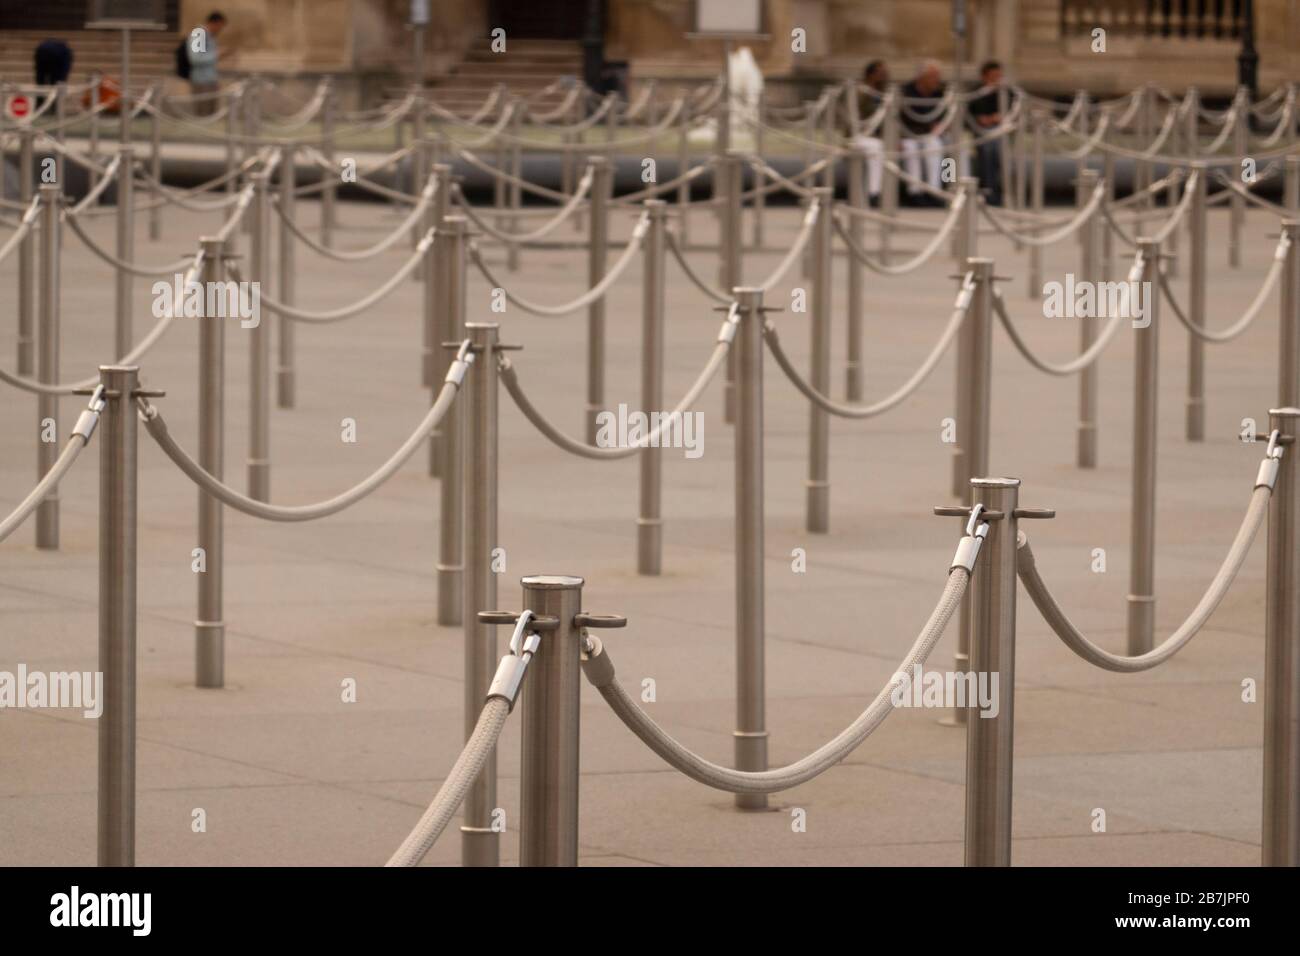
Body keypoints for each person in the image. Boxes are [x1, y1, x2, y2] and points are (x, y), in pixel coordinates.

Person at [899, 61, 947, 206]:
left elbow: (945, 116)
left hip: (931, 135)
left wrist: (939, 127)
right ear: (921, 77)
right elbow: (901, 118)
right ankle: (914, 192)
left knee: (937, 146)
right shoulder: (906, 91)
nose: (936, 80)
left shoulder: (940, 92)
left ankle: (934, 190)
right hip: (908, 134)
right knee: (911, 149)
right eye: (933, 76)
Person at [849, 60, 889, 206]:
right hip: (859, 136)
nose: (883, 76)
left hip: (879, 136)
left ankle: (919, 192)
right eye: (880, 73)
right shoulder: (860, 91)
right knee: (876, 148)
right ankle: (874, 193)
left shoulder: (885, 93)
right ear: (870, 74)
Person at [967, 60, 1005, 206]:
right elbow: (975, 117)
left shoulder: (1005, 93)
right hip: (981, 134)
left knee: (995, 146)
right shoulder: (976, 93)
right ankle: (989, 191)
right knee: (989, 147)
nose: (996, 80)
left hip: (1002, 133)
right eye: (993, 76)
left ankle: (995, 191)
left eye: (999, 76)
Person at [186, 11, 227, 115]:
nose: (220, 30)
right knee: (202, 113)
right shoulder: (199, 34)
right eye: (220, 26)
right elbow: (195, 59)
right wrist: (217, 55)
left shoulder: (210, 36)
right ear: (215, 23)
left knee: (211, 113)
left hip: (210, 80)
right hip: (201, 81)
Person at [34, 39, 74, 108]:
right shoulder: (66, 51)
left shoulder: (64, 50)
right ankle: (54, 106)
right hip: (55, 56)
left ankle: (40, 104)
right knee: (55, 83)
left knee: (41, 82)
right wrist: (62, 79)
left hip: (42, 52)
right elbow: (64, 71)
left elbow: (39, 75)